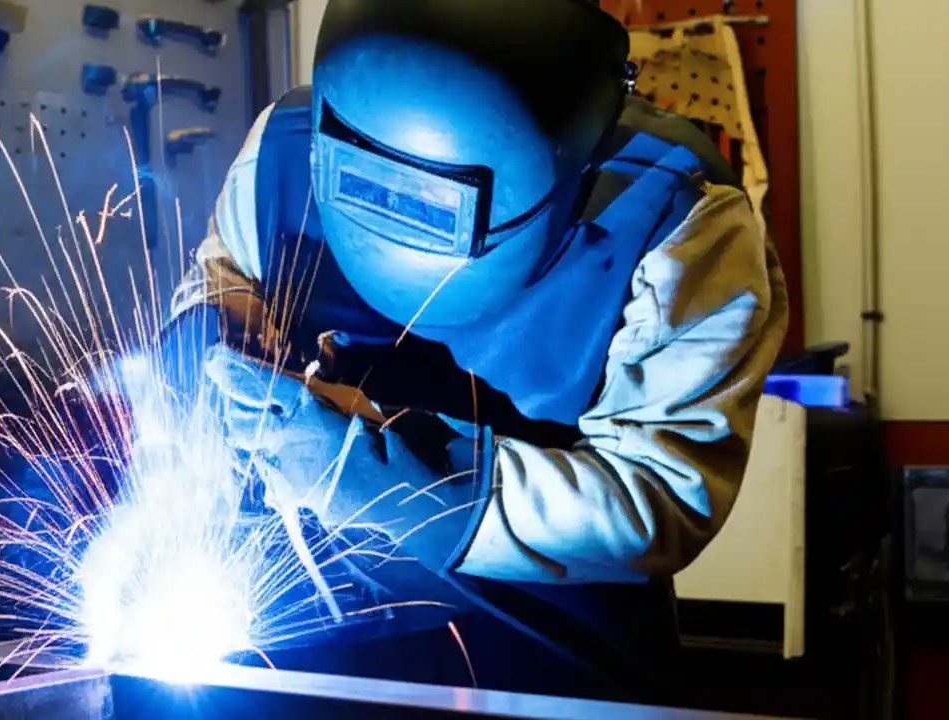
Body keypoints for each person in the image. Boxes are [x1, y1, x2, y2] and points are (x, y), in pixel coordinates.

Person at [163, 0, 788, 701]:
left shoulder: (676, 214)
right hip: (313, 639)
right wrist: (210, 333)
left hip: (552, 664)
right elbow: (221, 275)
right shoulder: (282, 145)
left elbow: (661, 495)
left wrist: (397, 479)